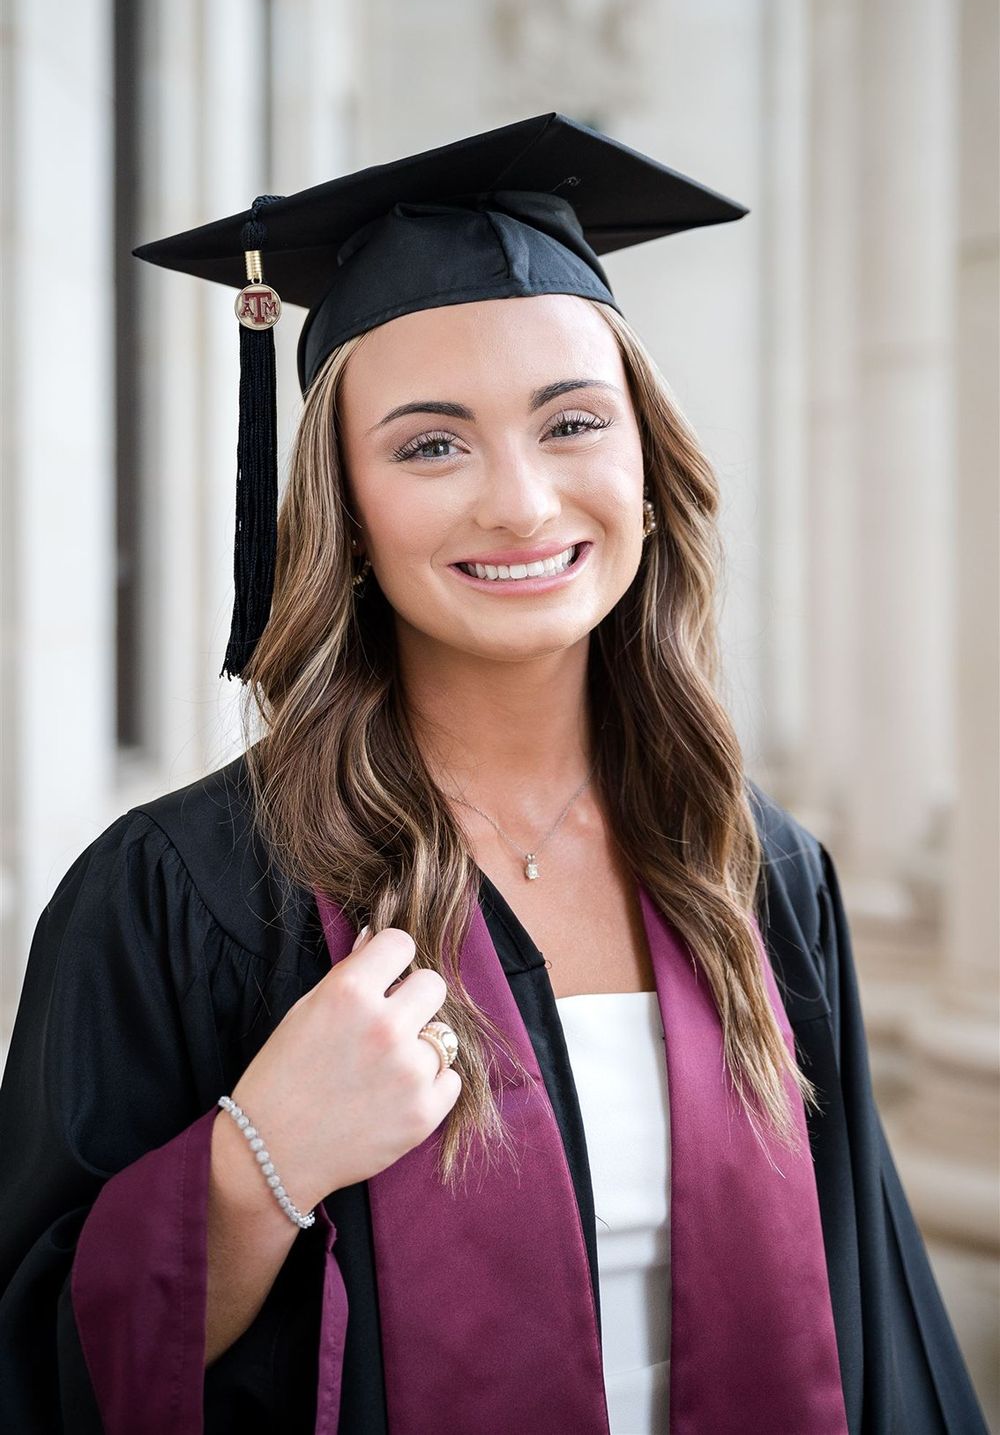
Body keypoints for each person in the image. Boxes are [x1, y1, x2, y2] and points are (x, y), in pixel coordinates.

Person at [0, 114, 989, 1435]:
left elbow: (874, 1328)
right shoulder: (187, 899)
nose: (521, 504)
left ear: (647, 470)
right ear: (343, 508)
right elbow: (41, 1365)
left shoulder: (753, 868)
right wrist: (255, 1170)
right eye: (430, 444)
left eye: (572, 422)